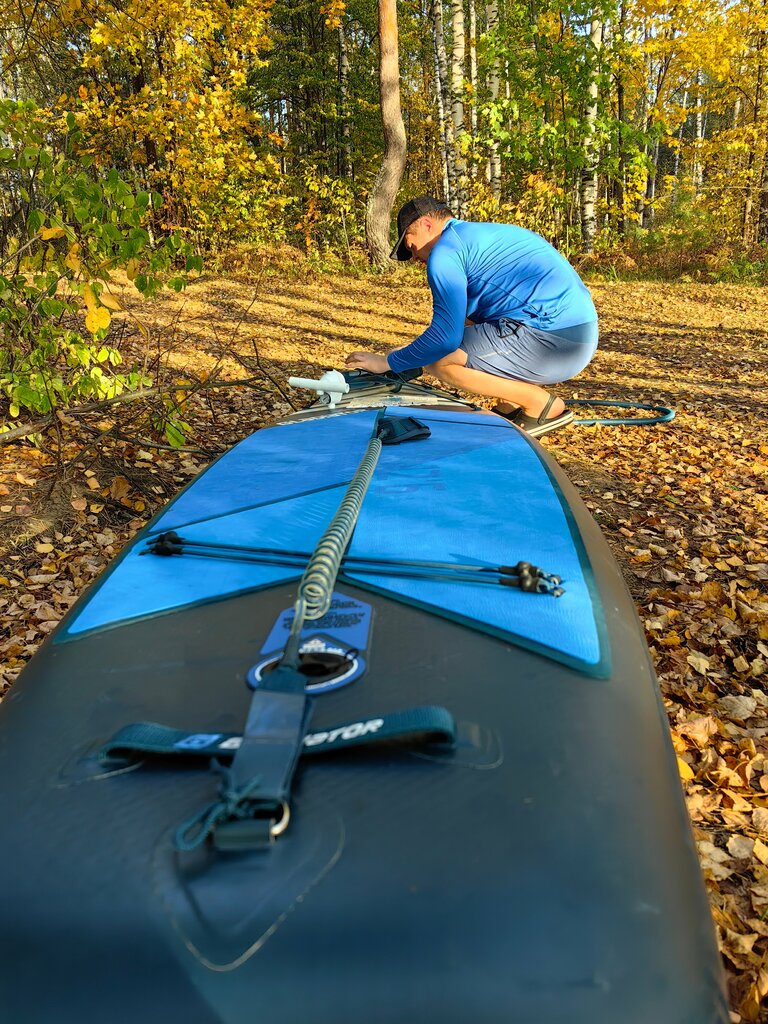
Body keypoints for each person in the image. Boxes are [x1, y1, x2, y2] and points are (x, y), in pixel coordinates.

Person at [345, 196, 598, 436]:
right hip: (576, 333)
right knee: (465, 325)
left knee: (439, 360)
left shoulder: (444, 254)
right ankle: (510, 403)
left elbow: (445, 340)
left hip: (553, 342)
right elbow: (466, 325)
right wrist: (411, 357)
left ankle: (540, 405)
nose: (414, 257)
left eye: (411, 245)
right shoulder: (475, 236)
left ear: (426, 224)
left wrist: (389, 362)